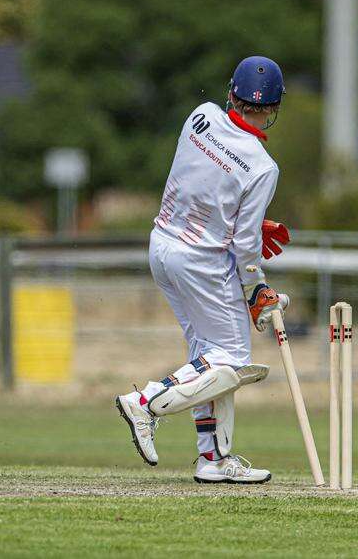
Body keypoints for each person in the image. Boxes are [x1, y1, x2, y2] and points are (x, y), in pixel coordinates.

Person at [115, 56, 291, 484]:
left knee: (207, 358)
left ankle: (213, 458)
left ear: (232, 91)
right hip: (201, 263)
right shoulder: (264, 167)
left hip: (161, 246)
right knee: (229, 359)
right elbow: (245, 244)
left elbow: (201, 178)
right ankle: (146, 400)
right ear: (272, 109)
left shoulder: (201, 116)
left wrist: (240, 224)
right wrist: (257, 290)